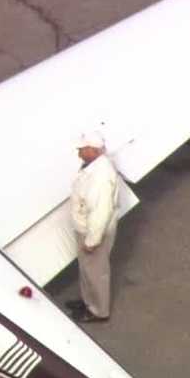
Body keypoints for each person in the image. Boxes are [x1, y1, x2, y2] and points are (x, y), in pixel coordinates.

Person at [66, 130, 119, 323]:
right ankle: (88, 301)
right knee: (87, 269)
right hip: (85, 229)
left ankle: (98, 311)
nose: (79, 151)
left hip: (93, 232)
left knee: (96, 272)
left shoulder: (100, 178)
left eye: (82, 148)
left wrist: (92, 240)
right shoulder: (92, 166)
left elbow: (101, 212)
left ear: (92, 150)